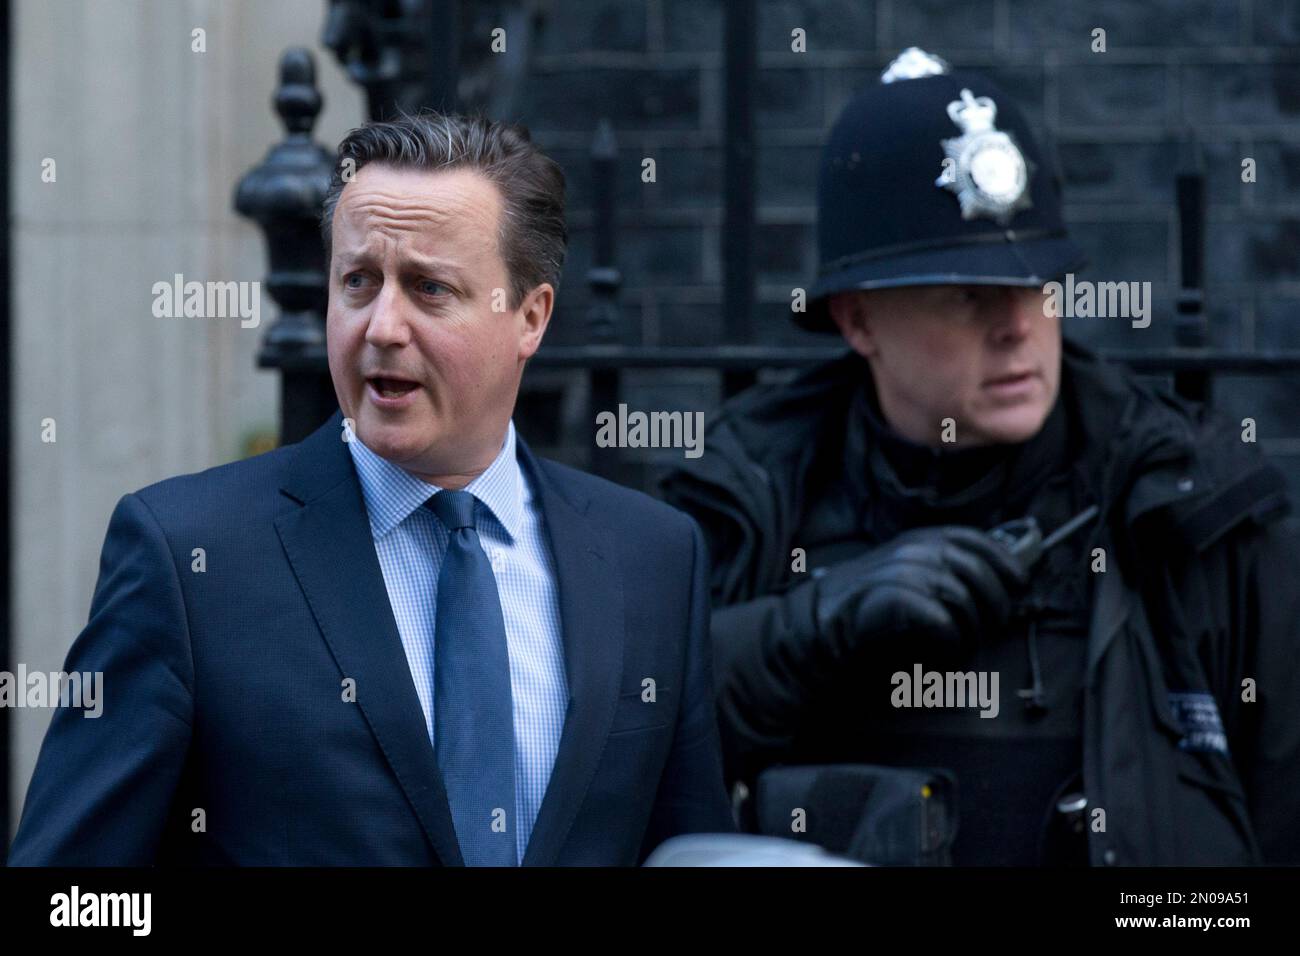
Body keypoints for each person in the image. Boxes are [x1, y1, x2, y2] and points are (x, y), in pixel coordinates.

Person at [9, 111, 733, 866]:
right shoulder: (190, 558)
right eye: (359, 281)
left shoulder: (653, 557)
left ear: (530, 317)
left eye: (428, 288)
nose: (383, 326)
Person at [661, 49, 1300, 866]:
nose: (1017, 326)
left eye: (1038, 288)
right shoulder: (749, 498)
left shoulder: (1190, 504)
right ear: (858, 322)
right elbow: (635, 761)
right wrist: (803, 630)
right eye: (967, 296)